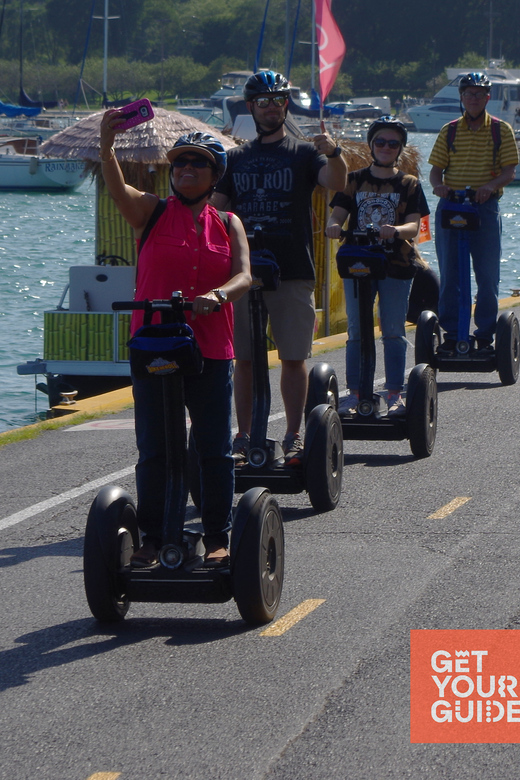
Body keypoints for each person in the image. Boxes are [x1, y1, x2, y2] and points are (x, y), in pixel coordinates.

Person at [99, 117, 251, 568]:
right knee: (156, 447)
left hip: (209, 348)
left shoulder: (227, 221)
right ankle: (155, 538)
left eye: (197, 164)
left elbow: (244, 273)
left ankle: (216, 536)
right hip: (153, 346)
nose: (185, 169)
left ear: (214, 174)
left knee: (213, 448)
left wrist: (218, 295)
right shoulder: (151, 212)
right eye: (180, 162)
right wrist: (108, 146)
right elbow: (117, 188)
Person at [212, 70, 347, 466]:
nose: (272, 107)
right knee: (245, 361)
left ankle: (293, 435)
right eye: (263, 101)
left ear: (285, 105)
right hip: (243, 274)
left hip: (292, 270)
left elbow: (336, 182)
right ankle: (243, 436)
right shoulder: (235, 158)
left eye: (278, 100)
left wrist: (335, 151)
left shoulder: (305, 154)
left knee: (292, 358)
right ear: (251, 107)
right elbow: (215, 210)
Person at [326, 117, 429, 416]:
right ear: (371, 145)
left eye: (393, 144)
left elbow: (414, 225)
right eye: (380, 142)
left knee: (393, 330)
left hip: (396, 264)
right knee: (357, 331)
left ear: (400, 149)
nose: (386, 148)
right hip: (358, 262)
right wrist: (333, 226)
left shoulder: (408, 184)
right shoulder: (354, 179)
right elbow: (338, 214)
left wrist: (396, 230)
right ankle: (354, 393)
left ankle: (395, 392)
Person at [428, 73, 519, 354]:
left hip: (485, 206)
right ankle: (453, 335)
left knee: (487, 276)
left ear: (487, 97)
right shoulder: (450, 130)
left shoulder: (501, 130)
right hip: (452, 205)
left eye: (479, 94)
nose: (474, 99)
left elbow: (509, 171)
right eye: (469, 94)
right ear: (462, 98)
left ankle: (484, 336)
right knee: (451, 275)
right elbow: (435, 171)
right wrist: (439, 187)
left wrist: (490, 186)